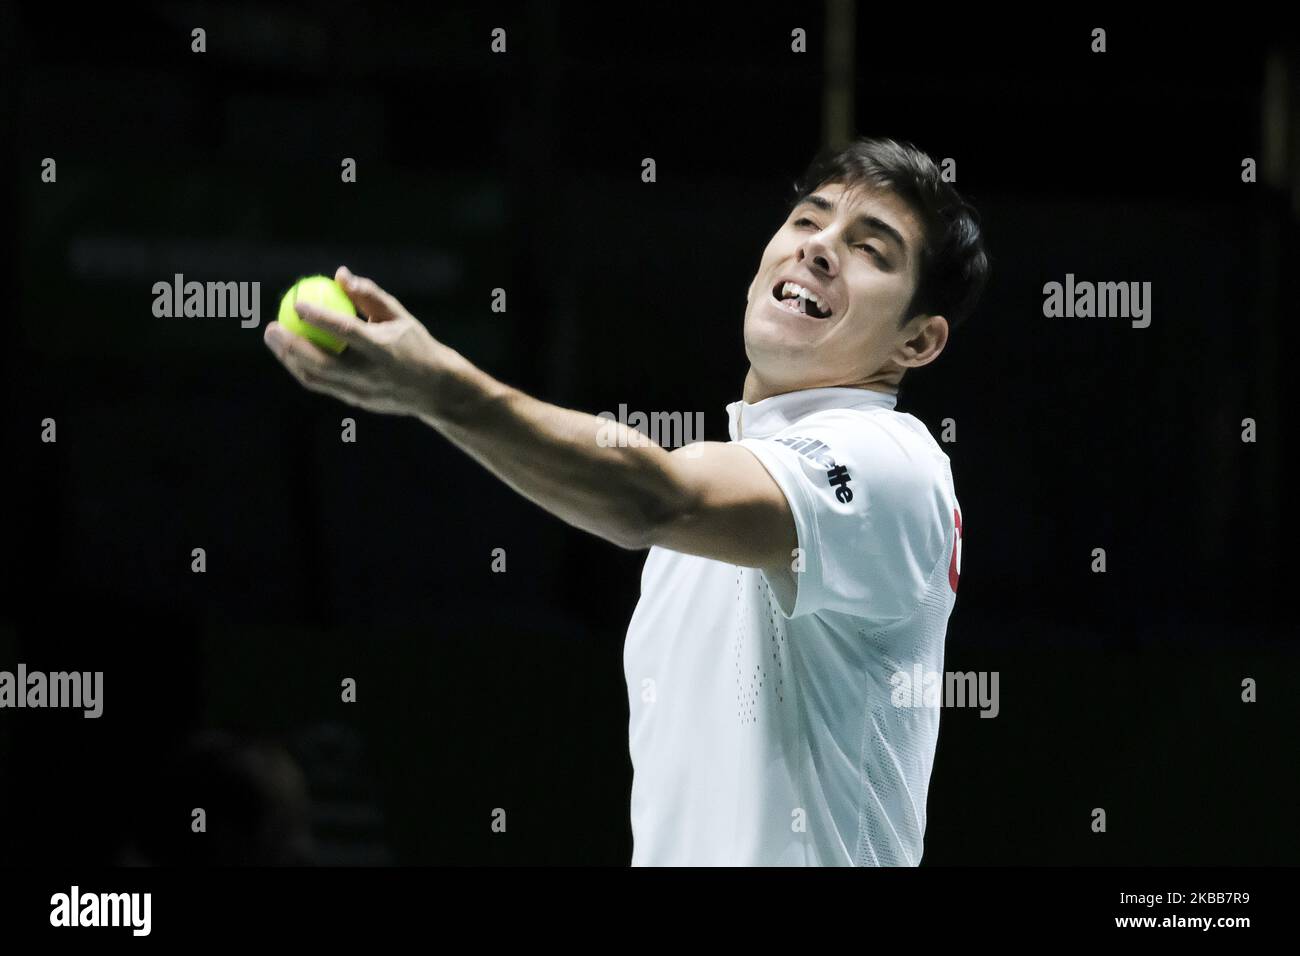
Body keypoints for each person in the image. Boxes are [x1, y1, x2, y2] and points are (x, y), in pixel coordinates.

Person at [263, 135, 990, 866]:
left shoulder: (892, 464)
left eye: (872, 249)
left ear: (919, 343)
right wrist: (441, 403)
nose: (819, 248)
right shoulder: (706, 525)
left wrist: (443, 392)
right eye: (809, 219)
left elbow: (654, 499)